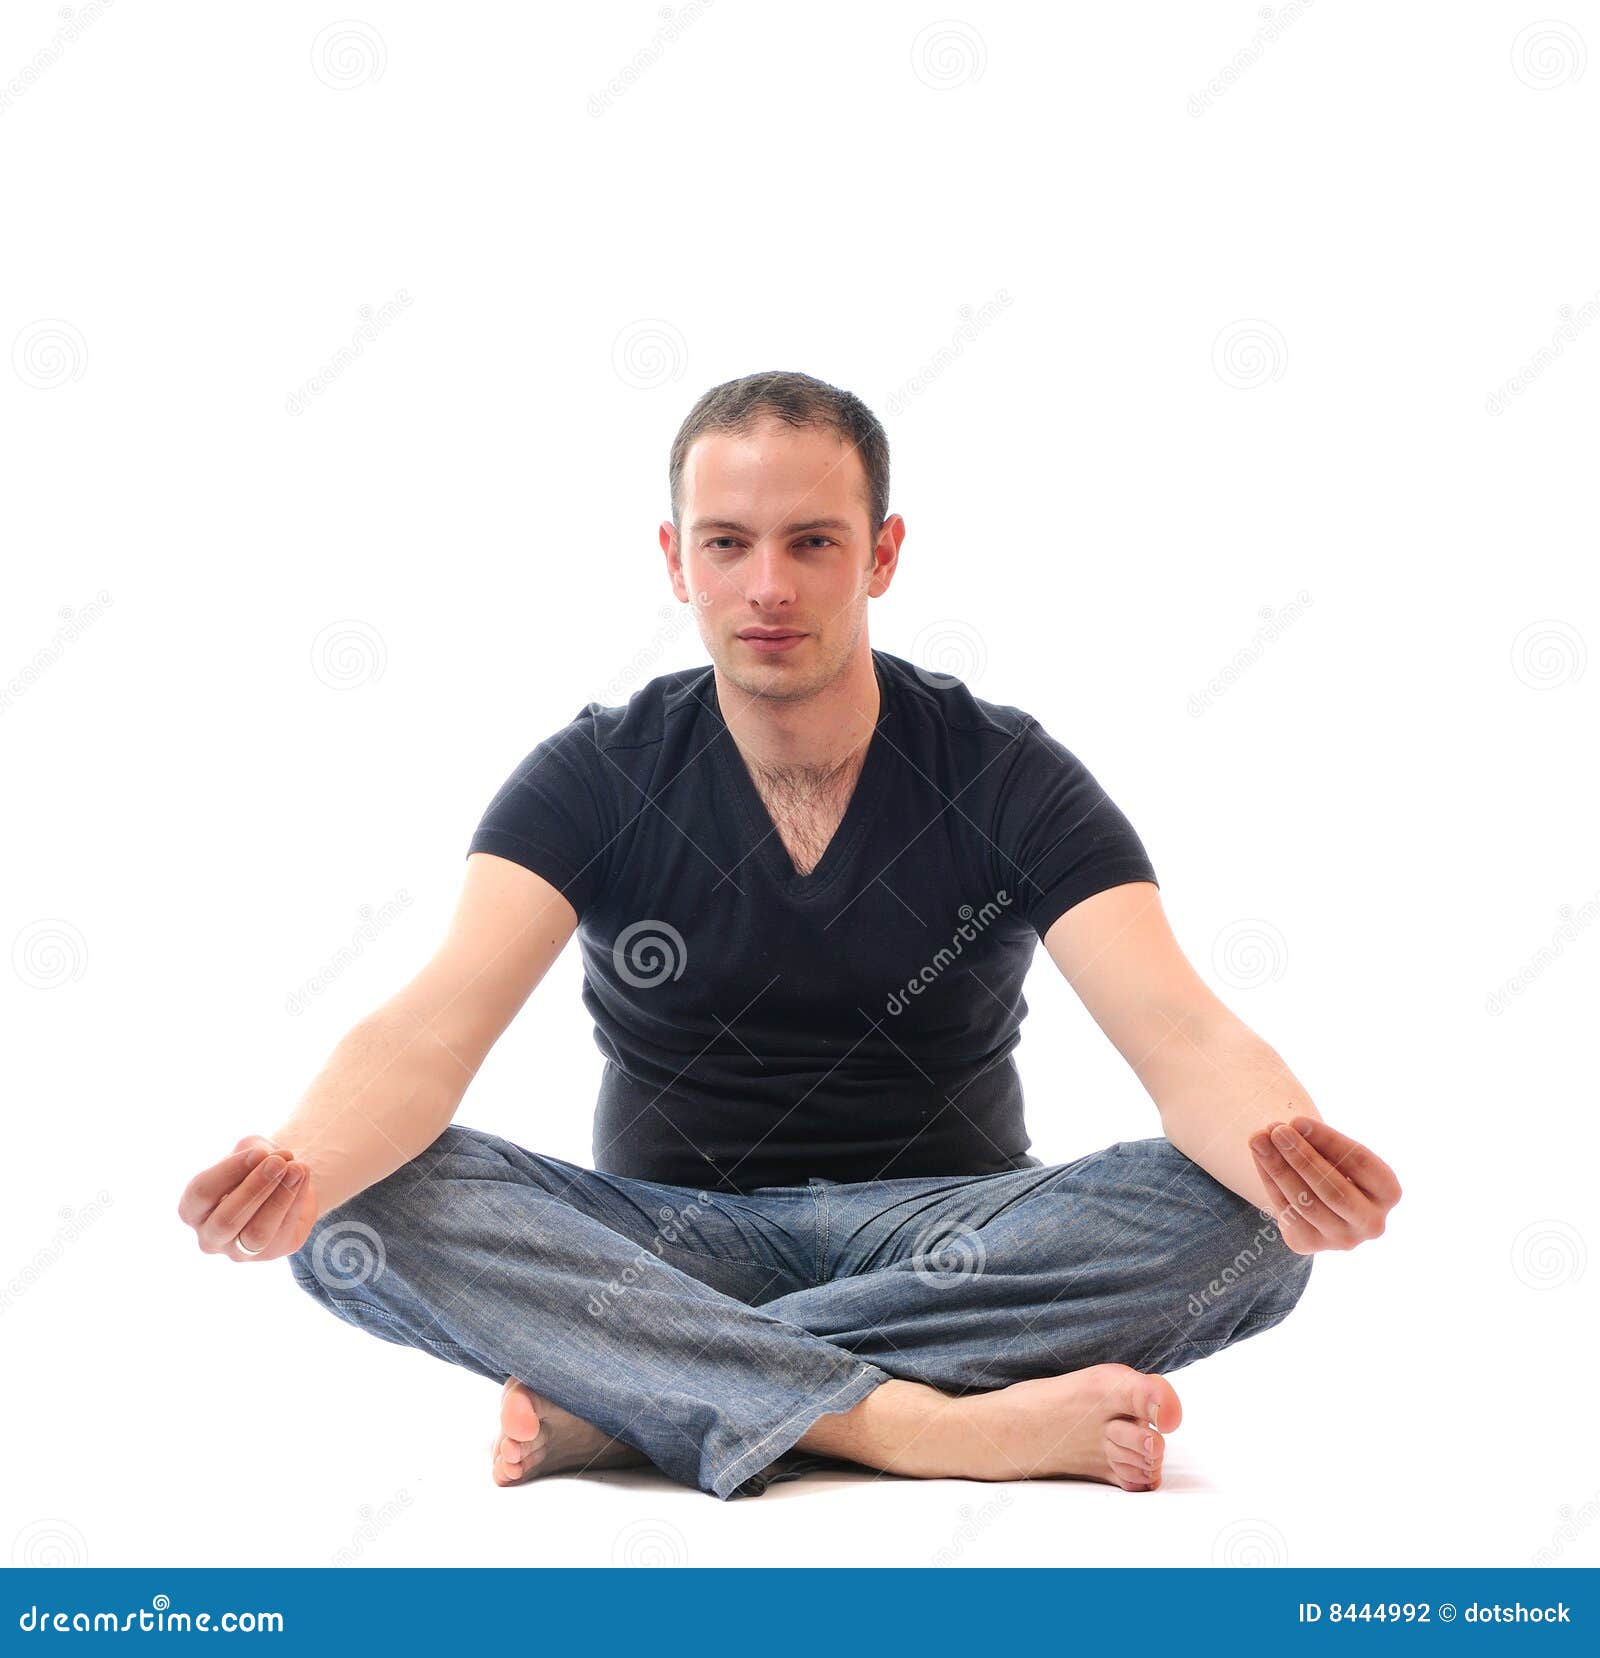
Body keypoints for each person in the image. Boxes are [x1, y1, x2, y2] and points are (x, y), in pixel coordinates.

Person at [176, 370, 1401, 1501]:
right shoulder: (593, 775)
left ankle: (640, 1401)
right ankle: (903, 1423)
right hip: (657, 1240)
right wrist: (295, 1170)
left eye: (813, 541)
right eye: (728, 543)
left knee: (1250, 1226)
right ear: (676, 560)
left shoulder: (1008, 771)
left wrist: (1292, 1160)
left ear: (882, 553)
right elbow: (429, 1024)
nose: (769, 585)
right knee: (351, 1214)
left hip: (953, 1240)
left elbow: (1181, 1028)